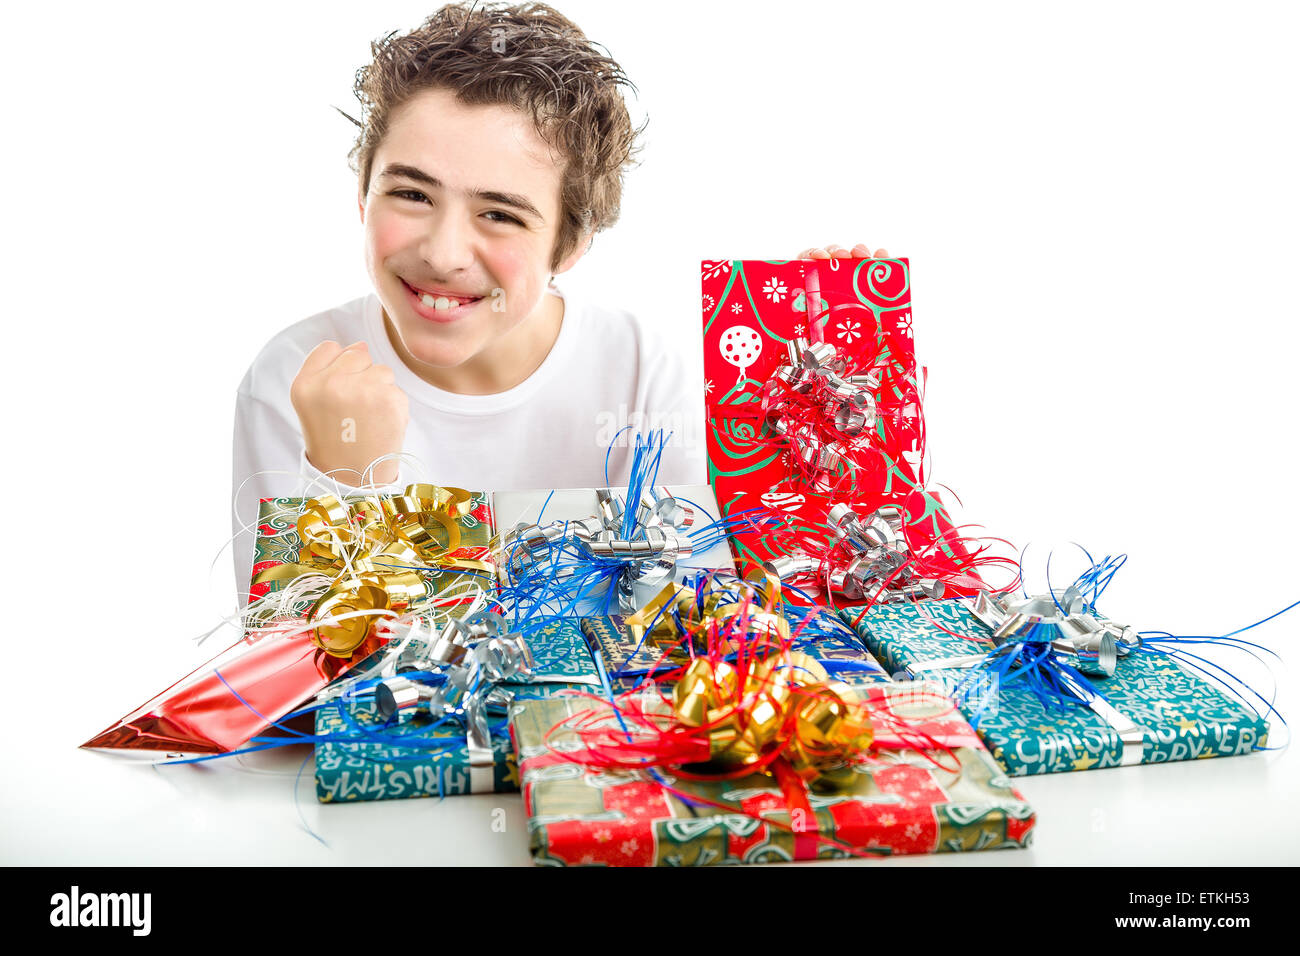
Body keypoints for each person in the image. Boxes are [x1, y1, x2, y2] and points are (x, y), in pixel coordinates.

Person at [230, 1, 888, 599]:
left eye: (500, 214)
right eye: (411, 194)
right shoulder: (295, 378)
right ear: (362, 192)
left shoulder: (639, 370)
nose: (443, 253)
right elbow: (291, 673)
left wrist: (821, 392)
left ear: (571, 244)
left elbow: (709, 616)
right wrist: (346, 485)